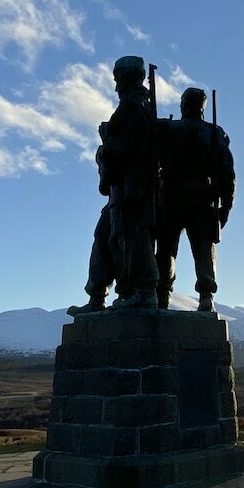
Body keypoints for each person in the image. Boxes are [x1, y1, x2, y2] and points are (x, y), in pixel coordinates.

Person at [68, 56, 157, 314]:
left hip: (134, 188)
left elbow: (134, 149)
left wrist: (107, 138)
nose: (116, 86)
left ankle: (144, 292)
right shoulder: (133, 105)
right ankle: (97, 295)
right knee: (104, 235)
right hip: (122, 187)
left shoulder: (133, 107)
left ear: (126, 79)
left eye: (118, 80)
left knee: (134, 238)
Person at [156, 87, 235, 312]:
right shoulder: (214, 132)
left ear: (183, 105)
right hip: (202, 199)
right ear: (202, 107)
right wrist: (226, 206)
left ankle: (162, 294)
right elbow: (227, 173)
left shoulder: (168, 129)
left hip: (171, 198)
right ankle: (206, 295)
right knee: (203, 249)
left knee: (166, 250)